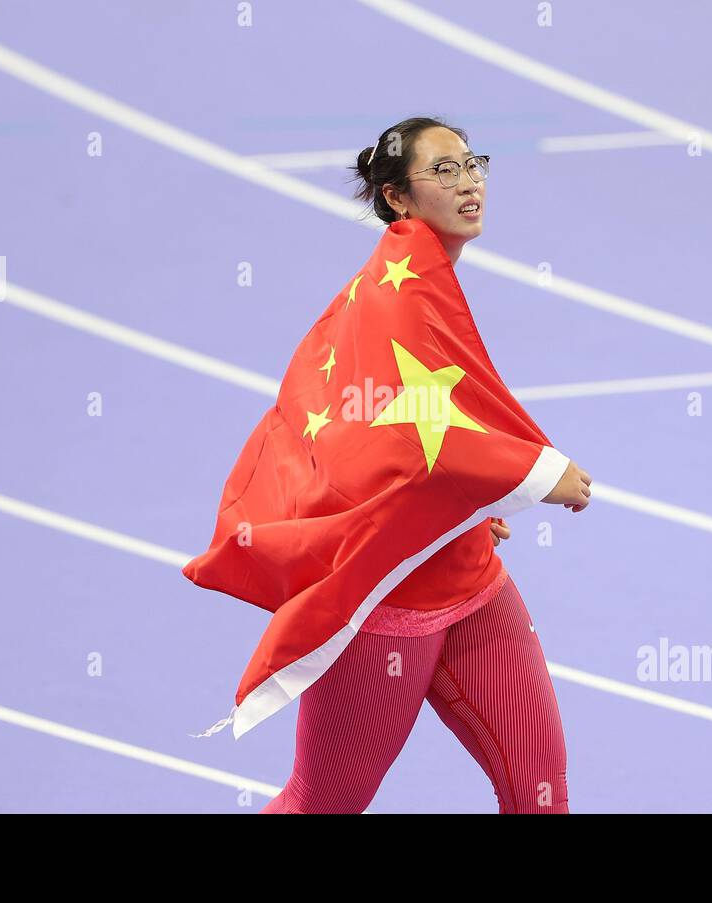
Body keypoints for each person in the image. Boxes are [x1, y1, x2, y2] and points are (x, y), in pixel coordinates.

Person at [260, 117, 593, 814]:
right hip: (385, 599)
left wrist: (458, 512)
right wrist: (532, 477)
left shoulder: (427, 277)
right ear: (398, 198)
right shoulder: (395, 292)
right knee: (322, 804)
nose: (469, 181)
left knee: (539, 791)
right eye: (443, 170)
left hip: (470, 583)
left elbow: (430, 424)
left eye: (472, 164)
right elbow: (387, 442)